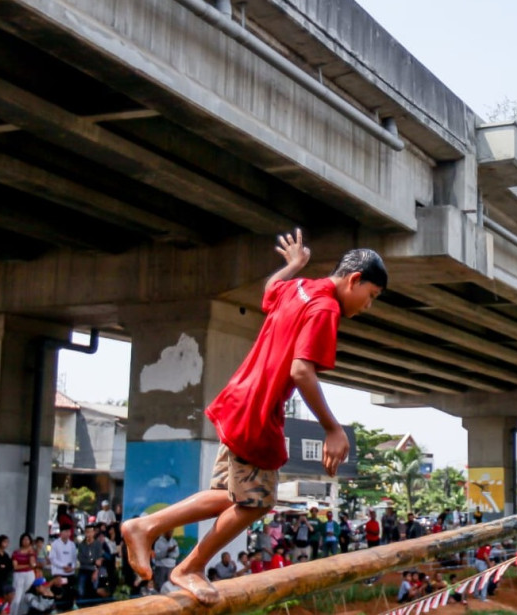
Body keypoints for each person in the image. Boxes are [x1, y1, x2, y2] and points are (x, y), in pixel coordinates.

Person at [121, 235, 386, 604]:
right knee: (257, 502)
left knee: (226, 495)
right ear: (354, 279)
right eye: (371, 295)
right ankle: (190, 567)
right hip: (259, 411)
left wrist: (293, 264)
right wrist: (332, 428)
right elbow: (301, 372)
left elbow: (270, 288)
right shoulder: (326, 309)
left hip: (237, 400)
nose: (368, 305)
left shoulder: (300, 287)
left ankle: (144, 525)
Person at [47, 529, 76, 607]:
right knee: (59, 594)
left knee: (69, 594)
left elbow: (74, 559)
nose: (67, 533)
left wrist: (72, 567)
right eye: (65, 531)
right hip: (59, 573)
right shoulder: (55, 544)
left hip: (69, 574)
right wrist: (63, 566)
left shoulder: (72, 544)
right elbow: (52, 558)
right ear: (61, 533)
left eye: (68, 532)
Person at [10, 535, 36, 615]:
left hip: (29, 575)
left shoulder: (32, 552)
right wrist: (27, 565)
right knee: (16, 597)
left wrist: (31, 553)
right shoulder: (16, 552)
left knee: (25, 596)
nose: (25, 541)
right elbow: (15, 567)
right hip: (18, 575)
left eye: (27, 539)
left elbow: (33, 564)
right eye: (24, 539)